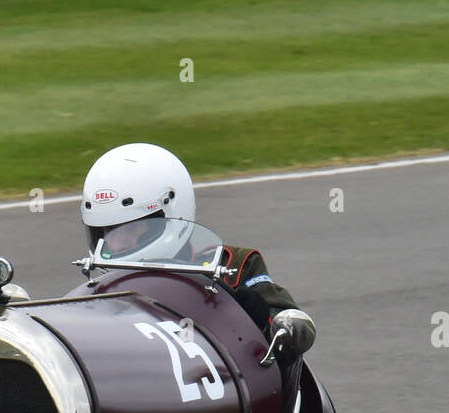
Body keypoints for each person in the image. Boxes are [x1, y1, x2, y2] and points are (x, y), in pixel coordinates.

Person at [80, 142, 303, 335]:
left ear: (170, 213)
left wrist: (256, 317)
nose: (116, 243)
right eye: (106, 231)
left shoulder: (233, 265)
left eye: (128, 229)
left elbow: (290, 326)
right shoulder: (98, 293)